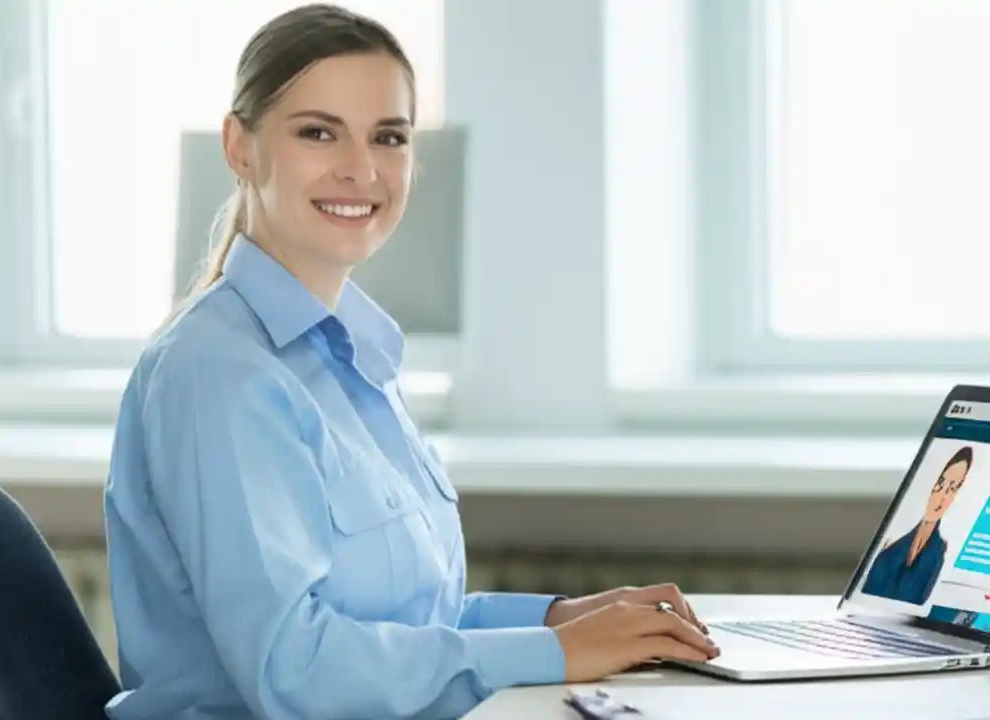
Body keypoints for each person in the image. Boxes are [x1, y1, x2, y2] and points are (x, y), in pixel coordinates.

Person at [102, 5, 718, 719]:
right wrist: (554, 653)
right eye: (318, 132)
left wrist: (562, 620)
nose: (360, 169)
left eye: (388, 137)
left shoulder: (351, 359)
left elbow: (409, 623)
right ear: (239, 147)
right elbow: (291, 667)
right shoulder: (219, 373)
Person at [860, 446, 974, 606]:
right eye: (941, 483)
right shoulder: (893, 537)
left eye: (952, 488)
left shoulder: (939, 553)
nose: (942, 495)